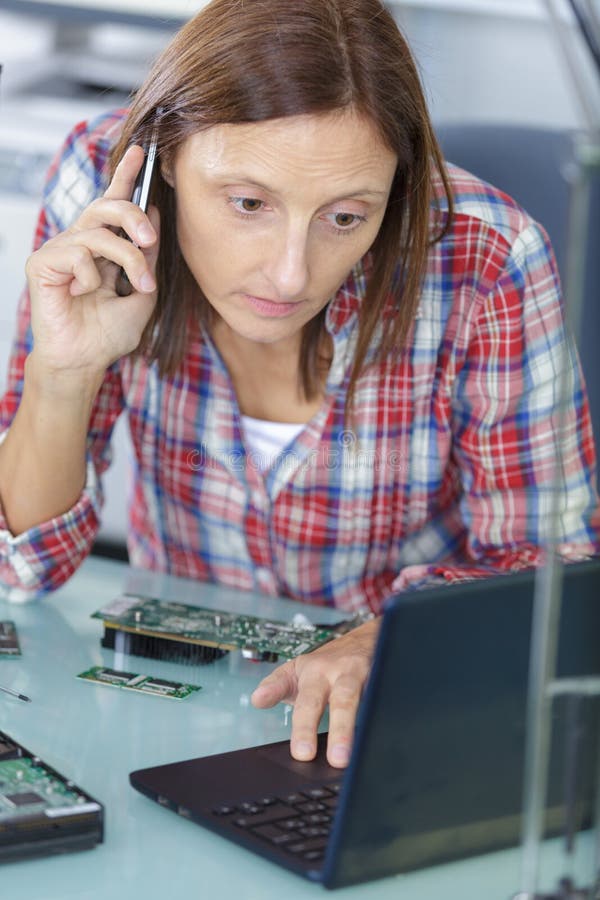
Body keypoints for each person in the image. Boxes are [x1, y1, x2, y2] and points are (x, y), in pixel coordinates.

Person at [0, 0, 598, 768]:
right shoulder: (103, 193)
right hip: (167, 696)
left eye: (346, 217)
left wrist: (392, 639)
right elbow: (24, 570)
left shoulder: (488, 257)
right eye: (248, 204)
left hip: (397, 712)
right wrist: (65, 370)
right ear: (164, 166)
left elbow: (555, 576)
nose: (291, 273)